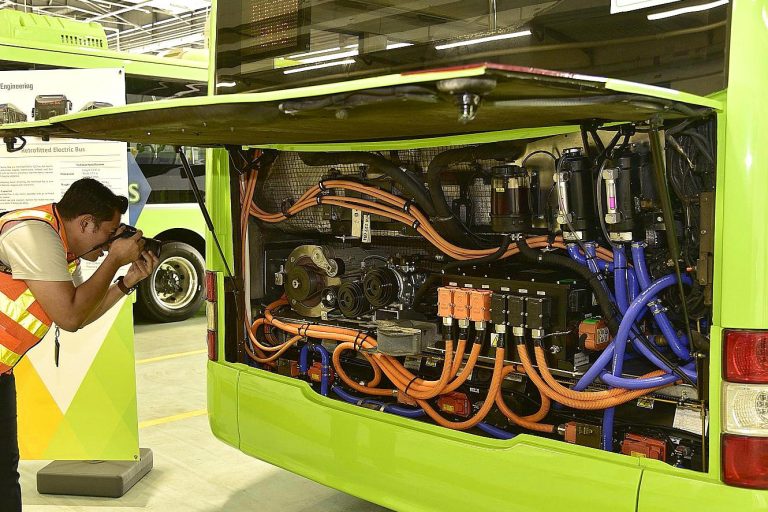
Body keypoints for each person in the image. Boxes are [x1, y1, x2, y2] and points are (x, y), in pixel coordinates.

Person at [0, 178, 160, 512]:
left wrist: (128, 282)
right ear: (85, 223)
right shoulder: (34, 235)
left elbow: (78, 314)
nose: (111, 243)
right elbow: (70, 316)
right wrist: (113, 261)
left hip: (2, 371)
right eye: (110, 232)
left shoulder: (61, 248)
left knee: (4, 472)